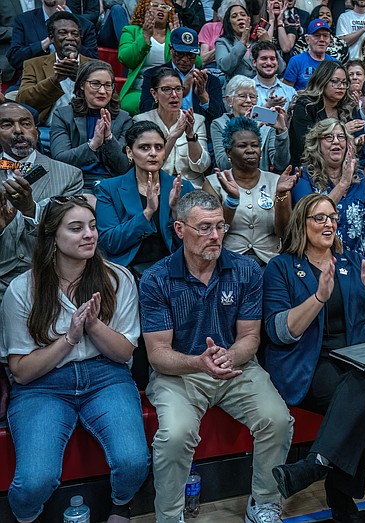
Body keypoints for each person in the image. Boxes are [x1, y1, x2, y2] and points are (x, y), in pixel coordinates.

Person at [140, 190, 293, 523]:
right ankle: (169, 517)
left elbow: (250, 336)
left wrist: (229, 356)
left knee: (277, 419)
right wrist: (199, 362)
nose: (215, 236)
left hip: (234, 366)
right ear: (180, 229)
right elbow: (158, 355)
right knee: (175, 434)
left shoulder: (245, 270)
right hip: (179, 373)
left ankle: (264, 502)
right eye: (204, 228)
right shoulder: (157, 279)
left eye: (220, 227)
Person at [1, 196, 149, 523]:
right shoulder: (23, 289)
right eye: (76, 228)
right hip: (43, 385)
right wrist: (69, 338)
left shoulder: (117, 278)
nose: (89, 235)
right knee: (34, 481)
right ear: (52, 237)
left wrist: (93, 325)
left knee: (134, 461)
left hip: (105, 377)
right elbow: (21, 373)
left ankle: (120, 505)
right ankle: (27, 517)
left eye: (93, 227)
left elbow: (124, 353)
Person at [262, 193, 365, 522]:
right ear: (302, 224)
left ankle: (315, 464)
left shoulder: (350, 261)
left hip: (355, 355)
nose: (329, 224)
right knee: (359, 392)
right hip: (307, 362)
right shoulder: (281, 267)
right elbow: (279, 331)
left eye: (333, 217)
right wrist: (319, 297)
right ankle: (340, 498)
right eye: (320, 218)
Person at [0, 102, 83, 301]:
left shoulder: (70, 175)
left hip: (50, 280)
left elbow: (73, 234)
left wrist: (31, 210)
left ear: (36, 133)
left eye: (26, 123)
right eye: (7, 124)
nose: (19, 130)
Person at [95, 121, 194, 272]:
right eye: (144, 147)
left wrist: (175, 211)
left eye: (158, 147)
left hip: (173, 269)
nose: (153, 153)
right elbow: (109, 242)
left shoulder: (182, 187)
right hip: (128, 270)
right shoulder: (109, 188)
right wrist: (147, 212)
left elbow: (191, 241)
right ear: (129, 152)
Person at [292, 118, 365, 258]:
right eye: (328, 137)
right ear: (317, 144)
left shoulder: (361, 177)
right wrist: (343, 184)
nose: (336, 141)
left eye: (341, 137)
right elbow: (310, 219)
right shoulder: (303, 176)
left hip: (357, 265)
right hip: (318, 262)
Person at [204, 116, 297, 265]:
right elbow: (212, 231)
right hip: (228, 262)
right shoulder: (214, 182)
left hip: (269, 262)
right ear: (229, 152)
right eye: (242, 146)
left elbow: (285, 233)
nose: (250, 150)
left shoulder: (277, 182)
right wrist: (232, 201)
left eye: (255, 145)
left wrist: (281, 196)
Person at [50, 61, 133, 192]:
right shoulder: (63, 115)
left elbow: (123, 166)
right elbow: (60, 161)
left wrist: (109, 138)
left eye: (107, 85)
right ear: (82, 85)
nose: (102, 91)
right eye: (95, 84)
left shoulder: (124, 119)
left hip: (113, 183)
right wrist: (93, 144)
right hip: (75, 182)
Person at [133, 68, 212, 187]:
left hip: (192, 187)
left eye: (178, 89)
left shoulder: (196, 120)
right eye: (166, 89)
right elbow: (148, 166)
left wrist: (191, 136)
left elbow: (201, 167)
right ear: (154, 93)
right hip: (156, 186)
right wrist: (173, 136)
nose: (174, 95)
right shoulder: (141, 121)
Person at [17, 12, 93, 132]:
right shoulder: (34, 64)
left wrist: (81, 78)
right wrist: (55, 80)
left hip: (87, 128)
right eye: (63, 33)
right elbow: (23, 102)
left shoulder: (96, 66)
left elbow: (113, 102)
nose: (70, 37)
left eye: (75, 34)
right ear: (52, 38)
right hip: (48, 129)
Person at [138, 27, 225, 125]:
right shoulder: (152, 75)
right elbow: (145, 109)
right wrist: (181, 92)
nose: (185, 59)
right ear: (171, 49)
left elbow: (220, 117)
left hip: (198, 132)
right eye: (179, 54)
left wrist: (203, 96)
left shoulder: (209, 80)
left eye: (190, 55)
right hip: (163, 130)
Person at [210, 75, 289, 172]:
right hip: (230, 181)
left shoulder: (266, 124)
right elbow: (223, 165)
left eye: (252, 97)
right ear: (229, 100)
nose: (248, 100)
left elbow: (280, 164)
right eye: (242, 96)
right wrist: (244, 128)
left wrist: (281, 132)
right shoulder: (219, 124)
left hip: (261, 181)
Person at [287, 60, 356, 168]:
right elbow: (305, 144)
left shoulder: (347, 108)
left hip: (338, 168)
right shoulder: (305, 106)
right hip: (307, 168)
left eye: (344, 82)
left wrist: (357, 143)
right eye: (335, 81)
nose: (341, 86)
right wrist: (342, 132)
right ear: (322, 81)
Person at [6, 0, 98, 75]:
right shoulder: (24, 20)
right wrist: (46, 42)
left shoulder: (85, 25)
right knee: (10, 96)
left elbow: (93, 63)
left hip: (74, 81)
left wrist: (71, 43)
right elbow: (15, 58)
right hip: (35, 79)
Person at [118, 0, 177, 115]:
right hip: (138, 89)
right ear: (144, 9)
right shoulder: (131, 31)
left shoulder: (174, 35)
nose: (160, 9)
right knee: (142, 104)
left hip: (170, 89)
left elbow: (197, 62)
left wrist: (178, 42)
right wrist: (145, 36)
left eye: (165, 7)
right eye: (155, 5)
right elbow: (125, 58)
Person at [282, 18, 335, 91]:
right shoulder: (296, 61)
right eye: (317, 35)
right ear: (307, 39)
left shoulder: (335, 63)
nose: (322, 39)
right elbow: (286, 91)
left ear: (330, 39)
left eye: (325, 36)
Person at [215, 1, 265, 79]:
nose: (240, 18)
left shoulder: (258, 40)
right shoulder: (222, 42)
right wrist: (242, 41)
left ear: (249, 19)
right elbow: (225, 67)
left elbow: (280, 68)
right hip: (236, 87)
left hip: (261, 87)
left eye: (243, 15)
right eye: (234, 16)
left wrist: (267, 43)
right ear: (229, 23)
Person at [252, 41, 297, 111]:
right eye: (264, 58)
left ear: (277, 62)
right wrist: (267, 107)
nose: (269, 63)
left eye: (272, 59)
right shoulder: (245, 90)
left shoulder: (290, 91)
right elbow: (245, 120)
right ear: (254, 62)